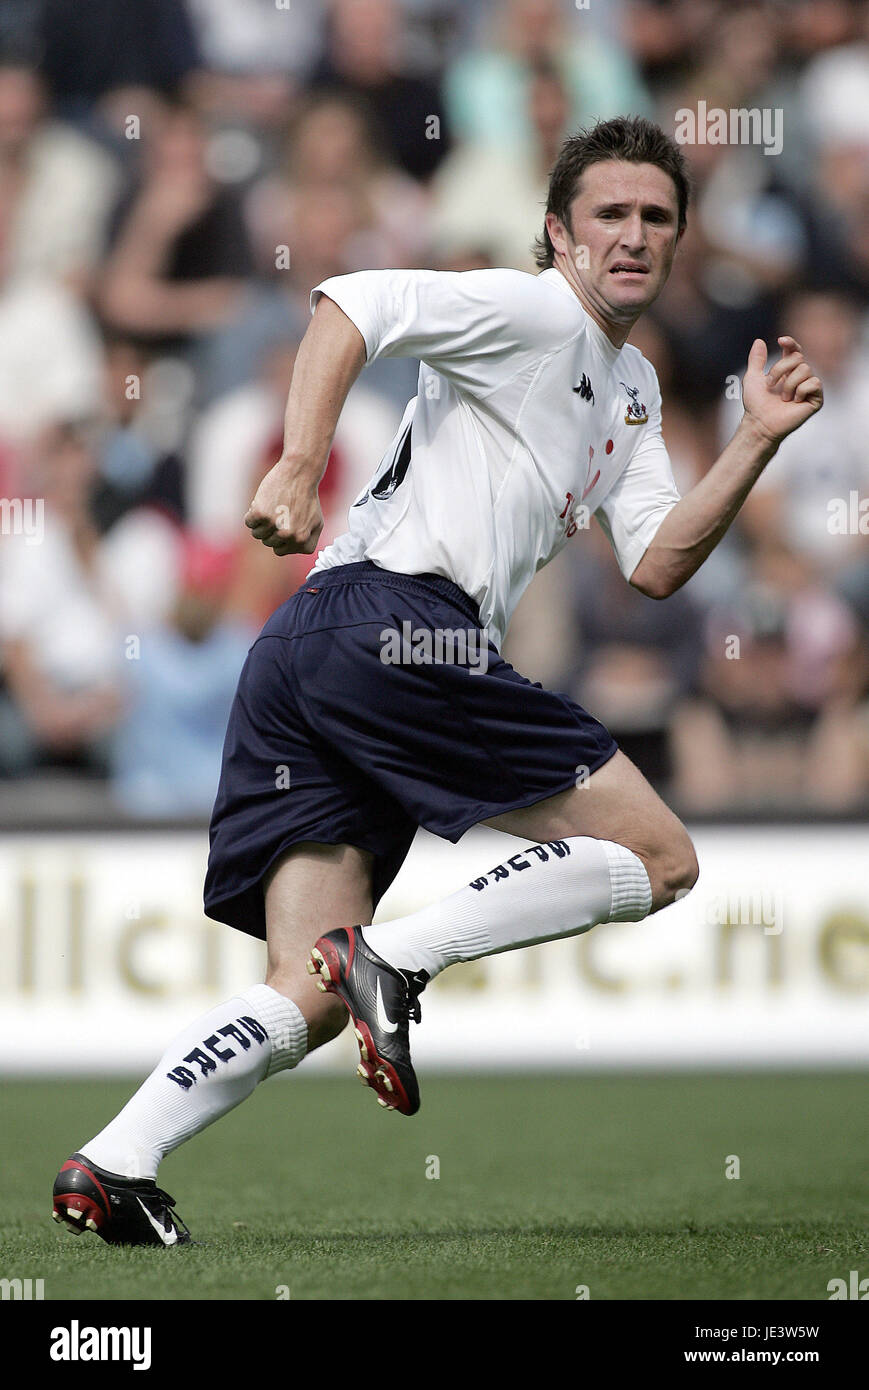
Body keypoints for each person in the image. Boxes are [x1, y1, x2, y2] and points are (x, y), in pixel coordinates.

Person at [51, 116, 823, 1245]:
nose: (632, 235)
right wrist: (302, 458)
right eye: (608, 213)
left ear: (677, 242)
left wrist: (753, 440)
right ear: (557, 233)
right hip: (396, 623)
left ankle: (116, 1160)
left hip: (316, 649)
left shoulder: (633, 390)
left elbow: (655, 562)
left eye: (656, 217)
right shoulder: (530, 309)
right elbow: (349, 303)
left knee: (305, 990)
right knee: (661, 857)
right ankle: (398, 959)